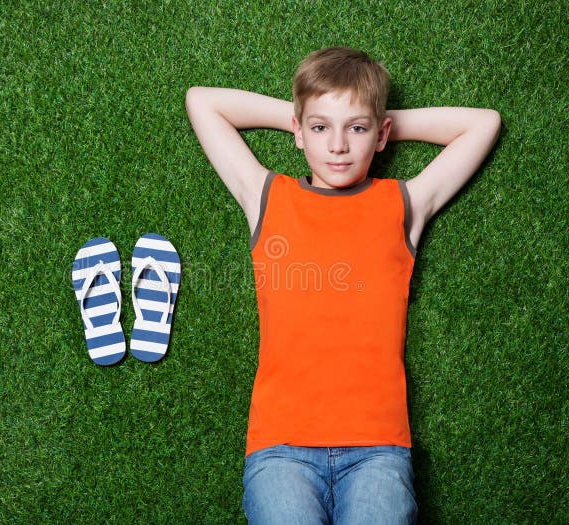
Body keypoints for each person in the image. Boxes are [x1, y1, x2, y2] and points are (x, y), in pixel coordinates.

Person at [186, 47, 501, 524]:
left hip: (377, 450)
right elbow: (201, 101)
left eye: (356, 129)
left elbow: (483, 123)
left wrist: (369, 116)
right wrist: (309, 111)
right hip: (281, 448)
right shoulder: (267, 197)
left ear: (381, 135)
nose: (337, 145)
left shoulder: (404, 204)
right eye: (319, 128)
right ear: (298, 130)